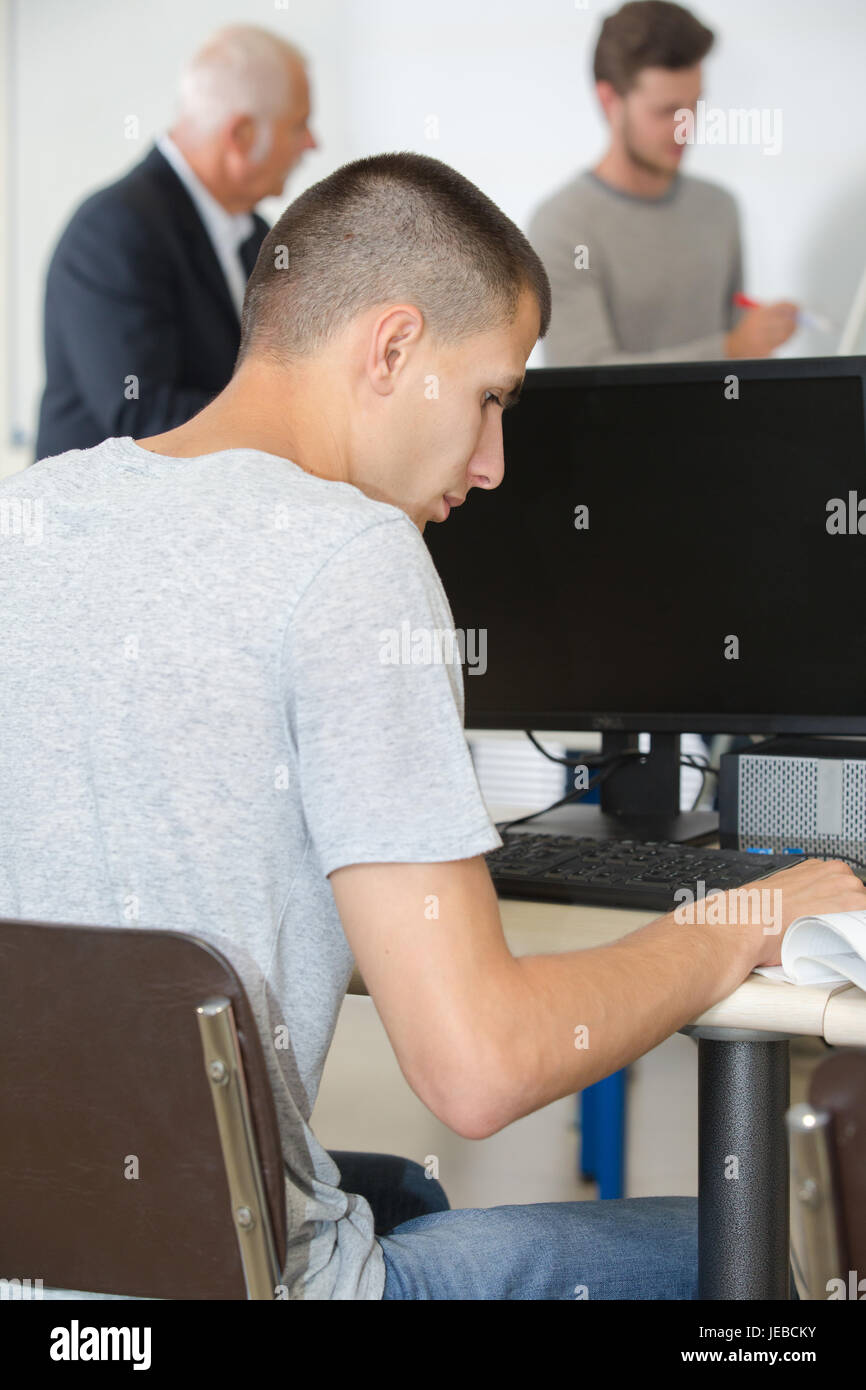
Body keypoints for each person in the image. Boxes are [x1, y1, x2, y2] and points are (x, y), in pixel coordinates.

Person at [3, 151, 863, 1300]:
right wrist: (744, 914)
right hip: (262, 1286)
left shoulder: (32, 512)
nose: (494, 463)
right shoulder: (351, 557)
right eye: (491, 397)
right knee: (805, 1246)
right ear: (393, 346)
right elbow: (478, 1066)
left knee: (402, 1192)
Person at [33, 25, 316, 461]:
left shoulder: (259, 234)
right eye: (299, 125)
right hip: (112, 522)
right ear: (240, 137)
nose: (312, 143)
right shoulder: (115, 229)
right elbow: (141, 416)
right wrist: (305, 422)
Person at [529, 0, 798, 366]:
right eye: (667, 111)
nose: (686, 128)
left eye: (694, 106)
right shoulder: (562, 225)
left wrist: (756, 337)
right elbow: (585, 379)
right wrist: (732, 348)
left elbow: (738, 362)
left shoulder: (719, 208)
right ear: (610, 101)